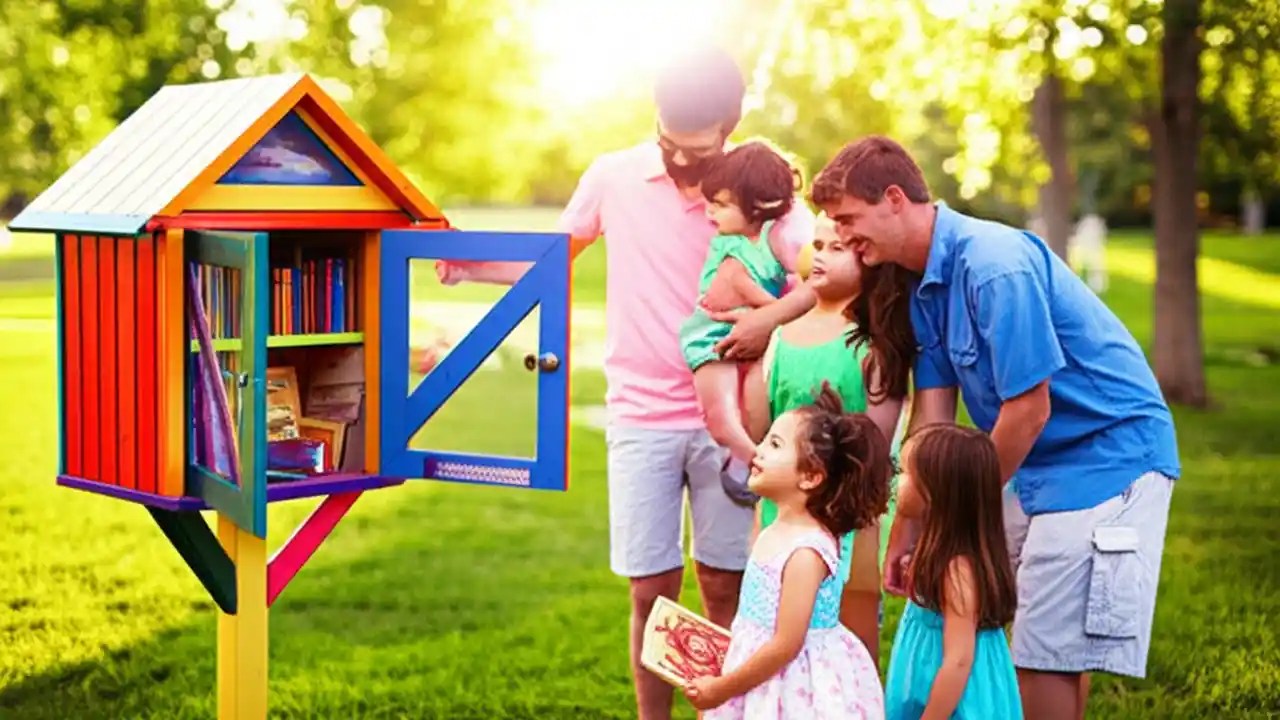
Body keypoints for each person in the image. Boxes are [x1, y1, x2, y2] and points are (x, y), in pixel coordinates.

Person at [436, 46, 816, 720]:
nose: (683, 167)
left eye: (699, 156)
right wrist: (472, 266)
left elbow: (820, 276)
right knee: (651, 589)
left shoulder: (759, 190)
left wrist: (769, 325)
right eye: (671, 146)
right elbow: (552, 261)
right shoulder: (613, 177)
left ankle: (724, 712)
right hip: (641, 416)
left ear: (732, 124)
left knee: (725, 585)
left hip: (733, 416)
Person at [810, 135, 1180, 720]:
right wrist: (911, 525)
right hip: (1032, 463)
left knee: (1045, 653)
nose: (843, 235)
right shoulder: (920, 281)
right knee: (964, 608)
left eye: (848, 219)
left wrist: (959, 515)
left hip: (1107, 460)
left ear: (895, 198)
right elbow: (934, 422)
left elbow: (1029, 410)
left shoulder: (992, 265)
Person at [744, 216, 909, 664]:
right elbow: (760, 424)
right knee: (769, 626)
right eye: (816, 244)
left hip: (849, 516)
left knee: (843, 643)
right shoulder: (780, 336)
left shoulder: (872, 343)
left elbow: (875, 445)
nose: (819, 254)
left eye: (836, 248)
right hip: (780, 509)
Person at [684, 383, 891, 719]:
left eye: (775, 444)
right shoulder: (775, 530)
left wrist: (722, 689)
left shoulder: (806, 552)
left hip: (792, 685)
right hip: (759, 671)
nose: (760, 450)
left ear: (810, 477)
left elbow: (786, 644)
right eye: (766, 438)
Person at [679, 140, 803, 499]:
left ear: (757, 206)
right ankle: (751, 458)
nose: (709, 214)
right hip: (709, 336)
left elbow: (804, 276)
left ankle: (755, 455)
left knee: (756, 406)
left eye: (720, 205)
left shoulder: (774, 237)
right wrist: (771, 311)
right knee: (720, 418)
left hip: (753, 335)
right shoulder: (726, 242)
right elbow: (740, 282)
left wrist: (771, 318)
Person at [884, 423, 1022, 720]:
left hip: (955, 701)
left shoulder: (957, 570)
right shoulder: (938, 552)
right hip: (929, 682)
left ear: (937, 493)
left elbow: (959, 661)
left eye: (906, 473)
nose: (897, 481)